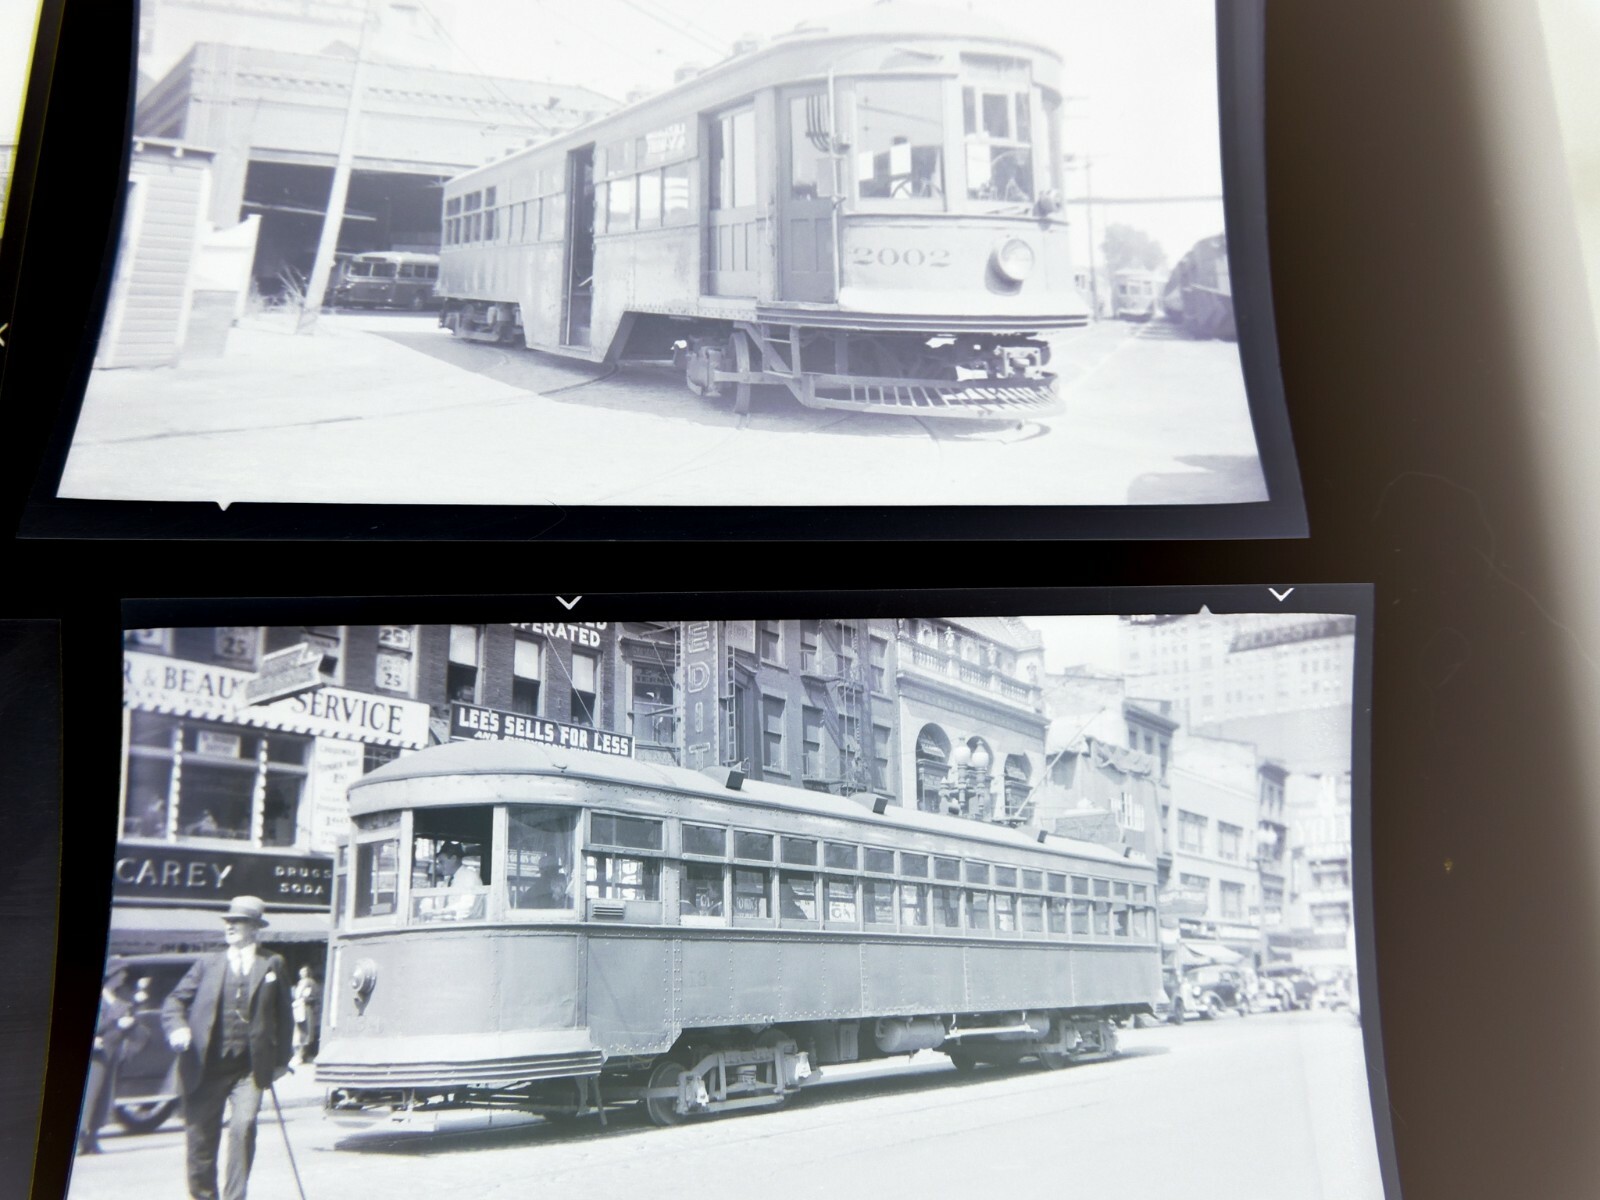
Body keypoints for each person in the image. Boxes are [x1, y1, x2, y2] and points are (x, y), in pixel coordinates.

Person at [161, 896, 294, 1200]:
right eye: (228, 921)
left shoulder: (272, 963)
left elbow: (284, 1015)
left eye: (239, 921)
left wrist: (282, 1060)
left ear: (255, 928)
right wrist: (178, 1027)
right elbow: (174, 1001)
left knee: (243, 1127)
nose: (230, 926)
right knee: (200, 1141)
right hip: (205, 1067)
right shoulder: (208, 964)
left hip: (248, 1070)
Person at [78, 965, 136, 1155]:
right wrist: (115, 1020)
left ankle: (92, 1138)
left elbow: (128, 1021)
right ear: (111, 976)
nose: (123, 978)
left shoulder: (118, 998)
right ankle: (79, 1141)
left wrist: (127, 1024)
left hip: (111, 1054)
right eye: (120, 974)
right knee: (90, 1096)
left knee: (103, 1097)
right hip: (95, 1055)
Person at [433, 841, 484, 920]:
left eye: (442, 862)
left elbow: (466, 907)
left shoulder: (470, 876)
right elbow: (439, 903)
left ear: (453, 859)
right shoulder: (447, 881)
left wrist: (441, 913)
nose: (439, 866)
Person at [290, 967, 322, 1065]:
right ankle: (299, 1055)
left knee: (304, 1031)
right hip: (298, 1008)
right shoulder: (300, 983)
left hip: (305, 1009)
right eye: (301, 971)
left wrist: (305, 999)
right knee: (299, 1032)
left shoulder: (310, 982)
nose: (302, 973)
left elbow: (312, 996)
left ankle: (301, 1055)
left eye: (304, 971)